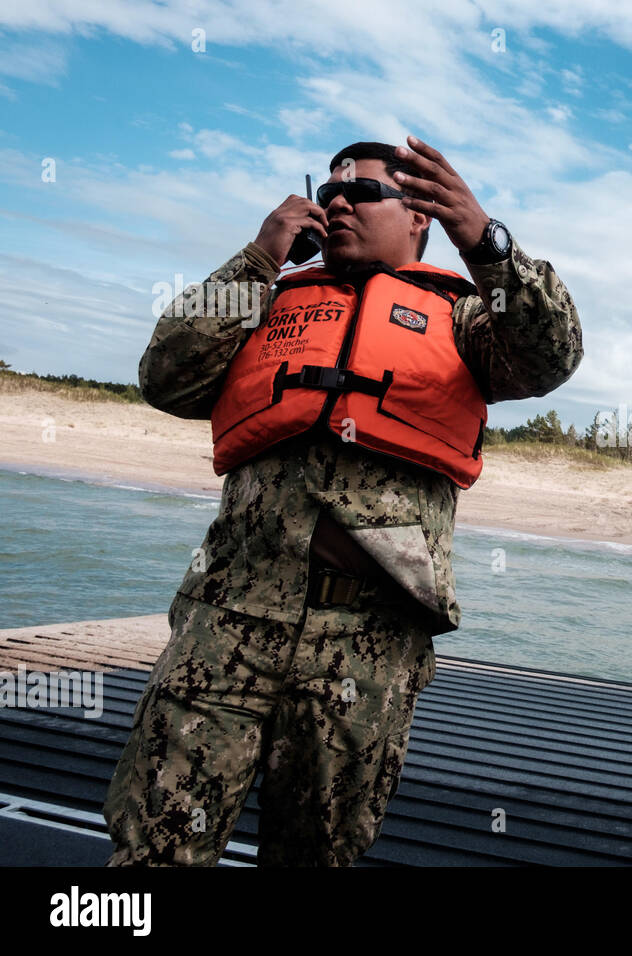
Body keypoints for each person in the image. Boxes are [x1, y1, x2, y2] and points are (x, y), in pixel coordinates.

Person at [104, 137, 583, 866]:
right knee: (154, 853)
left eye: (361, 193)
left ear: (419, 215)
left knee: (315, 857)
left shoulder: (462, 321)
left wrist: (485, 241)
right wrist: (259, 257)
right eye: (327, 193)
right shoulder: (265, 305)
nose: (337, 204)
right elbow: (165, 375)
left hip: (364, 649)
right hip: (226, 623)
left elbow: (551, 352)